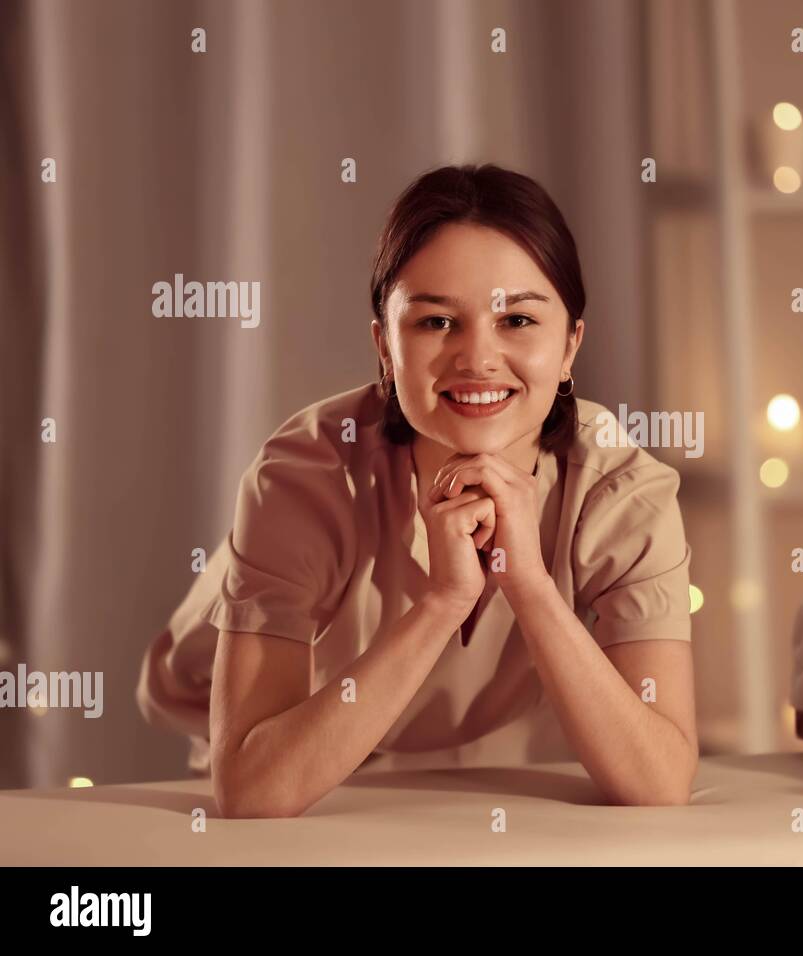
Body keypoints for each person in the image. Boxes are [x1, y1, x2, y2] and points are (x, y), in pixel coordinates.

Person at [136, 164, 697, 817]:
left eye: (517, 320)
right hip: (261, 716)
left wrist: (532, 586)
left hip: (460, 746)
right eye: (435, 322)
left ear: (571, 344)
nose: (477, 359)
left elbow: (659, 782)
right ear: (384, 344)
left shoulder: (624, 492)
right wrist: (443, 602)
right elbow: (252, 788)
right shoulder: (303, 476)